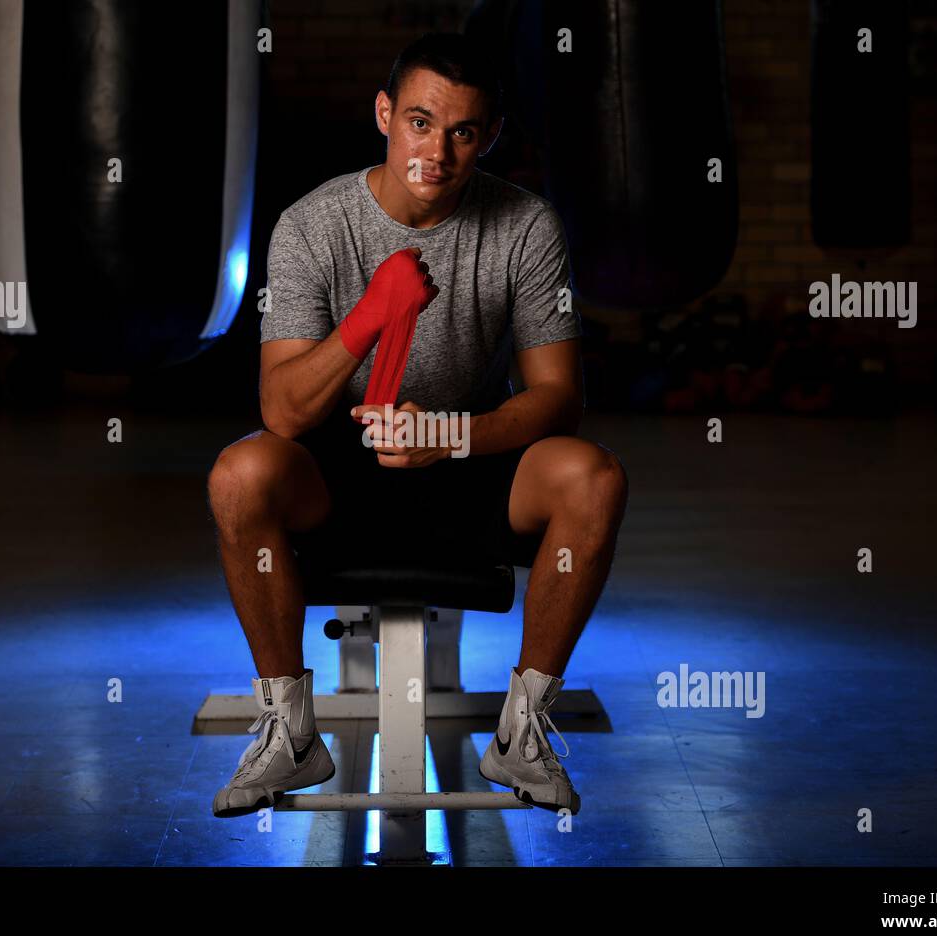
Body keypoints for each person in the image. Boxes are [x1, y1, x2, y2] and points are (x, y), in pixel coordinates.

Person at [206, 32, 627, 818]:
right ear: (384, 114)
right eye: (421, 123)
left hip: (471, 456)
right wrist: (368, 318)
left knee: (594, 476)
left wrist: (450, 436)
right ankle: (290, 732)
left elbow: (558, 398)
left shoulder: (526, 226)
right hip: (335, 468)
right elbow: (284, 411)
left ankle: (523, 729)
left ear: (489, 136)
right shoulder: (312, 226)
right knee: (240, 472)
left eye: (464, 131)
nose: (437, 151)